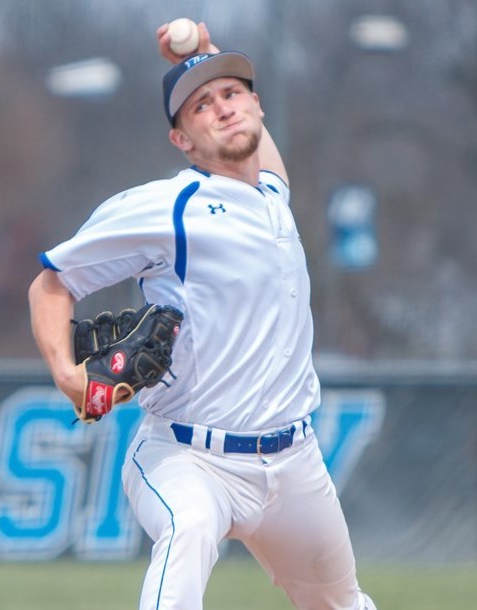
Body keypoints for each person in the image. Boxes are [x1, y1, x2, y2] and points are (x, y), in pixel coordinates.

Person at [27, 22, 376, 610]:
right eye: (201, 106)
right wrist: (69, 375)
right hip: (188, 457)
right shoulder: (170, 207)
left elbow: (265, 162)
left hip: (293, 463)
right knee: (186, 534)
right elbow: (52, 283)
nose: (223, 109)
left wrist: (207, 58)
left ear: (257, 104)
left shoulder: (273, 198)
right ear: (181, 140)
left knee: (344, 604)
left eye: (232, 94)